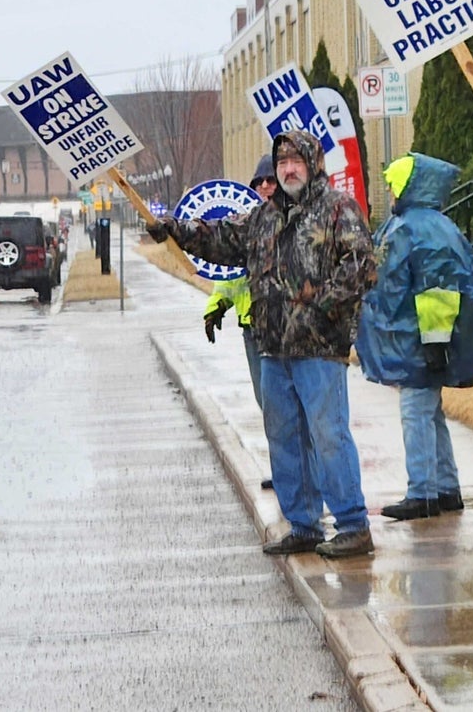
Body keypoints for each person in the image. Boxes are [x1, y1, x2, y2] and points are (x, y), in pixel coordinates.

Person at [147, 131, 377, 559]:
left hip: (318, 349)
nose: (288, 170)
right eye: (282, 163)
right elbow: (218, 238)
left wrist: (321, 308)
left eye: (296, 162)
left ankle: (353, 525)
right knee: (284, 438)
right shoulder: (262, 217)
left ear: (312, 164)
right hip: (272, 348)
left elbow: (361, 264)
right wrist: (174, 231)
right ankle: (303, 524)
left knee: (328, 436)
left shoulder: (338, 209)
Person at [355, 153, 473, 520]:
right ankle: (445, 488)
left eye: (393, 185)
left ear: (406, 186)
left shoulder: (419, 228)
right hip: (425, 339)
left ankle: (422, 493)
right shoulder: (427, 224)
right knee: (430, 413)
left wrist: (433, 341)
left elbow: (437, 288)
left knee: (416, 412)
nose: (389, 192)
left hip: (420, 341)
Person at [202, 154, 279, 489]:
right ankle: (283, 471)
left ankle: (300, 471)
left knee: (285, 407)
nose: (264, 186)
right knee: (268, 405)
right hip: (251, 330)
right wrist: (216, 306)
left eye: (270, 180)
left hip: (280, 330)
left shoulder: (286, 223)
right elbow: (233, 276)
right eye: (259, 181)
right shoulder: (248, 224)